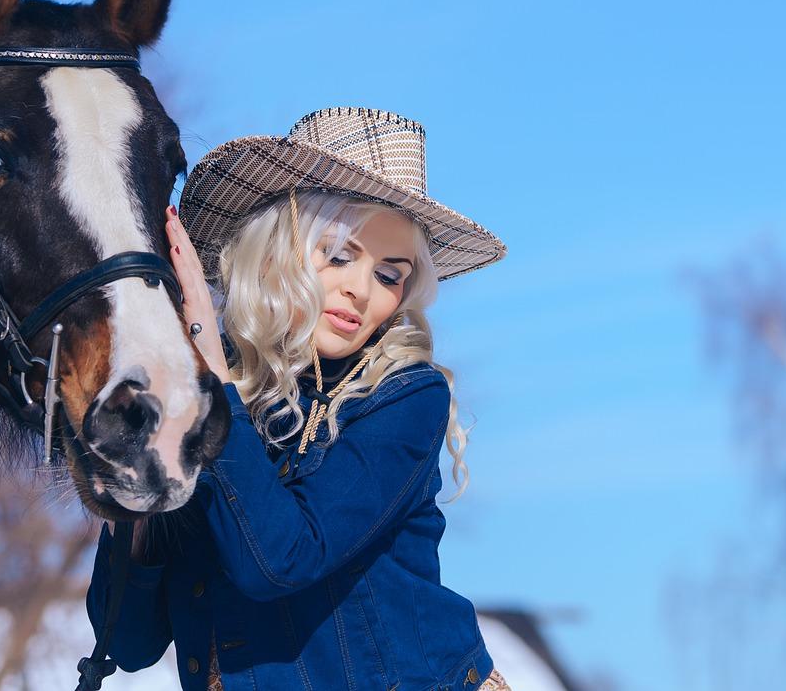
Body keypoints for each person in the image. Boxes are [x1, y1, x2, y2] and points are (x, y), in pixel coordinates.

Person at [86, 107, 509, 690]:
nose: (360, 290)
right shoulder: (206, 392)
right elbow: (129, 644)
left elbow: (280, 561)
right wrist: (136, 479)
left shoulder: (406, 397)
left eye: (390, 275)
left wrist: (212, 380)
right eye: (339, 255)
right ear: (276, 250)